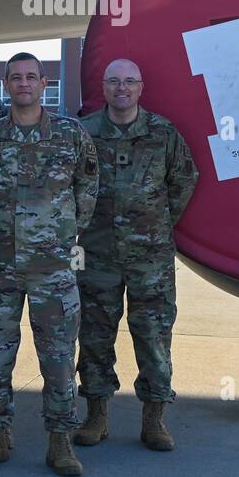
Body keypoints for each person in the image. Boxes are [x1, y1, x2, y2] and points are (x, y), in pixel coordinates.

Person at [0, 53, 98, 477]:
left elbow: (88, 188)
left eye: (31, 77)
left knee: (58, 359)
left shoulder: (69, 135)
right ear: (6, 85)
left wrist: (62, 235)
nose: (23, 84)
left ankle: (60, 441)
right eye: (15, 78)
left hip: (52, 271)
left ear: (44, 83)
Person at [76, 59, 198, 451]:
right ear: (104, 87)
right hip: (97, 256)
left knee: (154, 337)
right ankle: (96, 415)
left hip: (151, 259)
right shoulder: (85, 133)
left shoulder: (163, 134)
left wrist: (154, 224)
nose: (122, 88)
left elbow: (183, 180)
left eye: (129, 81)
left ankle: (154, 419)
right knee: (95, 336)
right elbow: (69, 184)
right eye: (114, 81)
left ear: (141, 87)